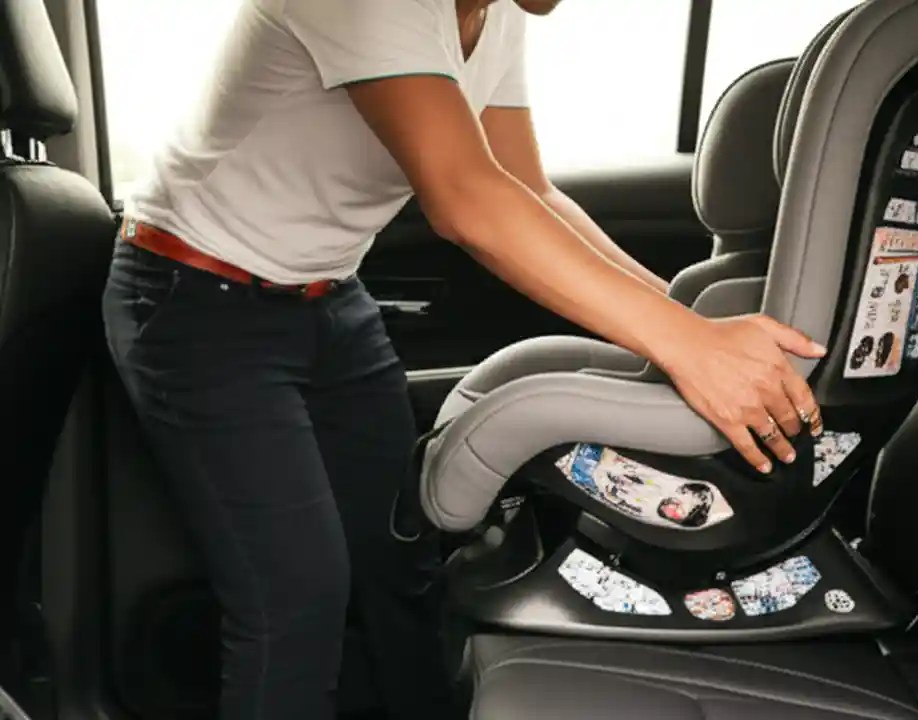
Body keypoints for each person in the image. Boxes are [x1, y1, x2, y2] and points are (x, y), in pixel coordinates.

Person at [102, 0, 827, 717]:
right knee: (294, 597)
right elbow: (464, 197)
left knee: (404, 561)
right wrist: (688, 346)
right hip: (197, 298)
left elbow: (524, 186)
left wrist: (689, 321)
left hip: (328, 298)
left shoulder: (494, 9)